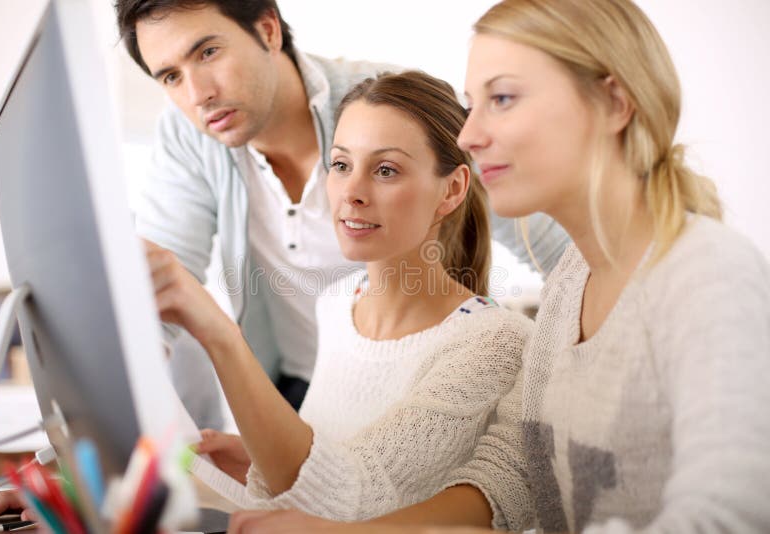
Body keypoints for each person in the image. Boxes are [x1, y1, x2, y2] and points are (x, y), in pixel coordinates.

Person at [220, 0, 770, 532]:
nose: (469, 135)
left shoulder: (706, 274)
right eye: (471, 103)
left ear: (613, 104)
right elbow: (511, 476)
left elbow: (731, 518)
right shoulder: (569, 286)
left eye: (502, 98)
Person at [0, 71, 533, 526]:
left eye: (385, 169)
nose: (351, 193)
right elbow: (291, 498)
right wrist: (82, 490)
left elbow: (348, 503)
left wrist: (218, 332)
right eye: (340, 164)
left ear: (453, 189)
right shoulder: (338, 305)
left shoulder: (494, 343)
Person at [115, 0, 568, 418]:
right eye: (170, 76)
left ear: (267, 30)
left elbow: (558, 251)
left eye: (208, 52)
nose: (198, 94)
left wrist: (570, 387)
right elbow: (162, 279)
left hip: (422, 384)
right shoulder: (189, 135)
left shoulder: (385, 107)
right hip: (303, 393)